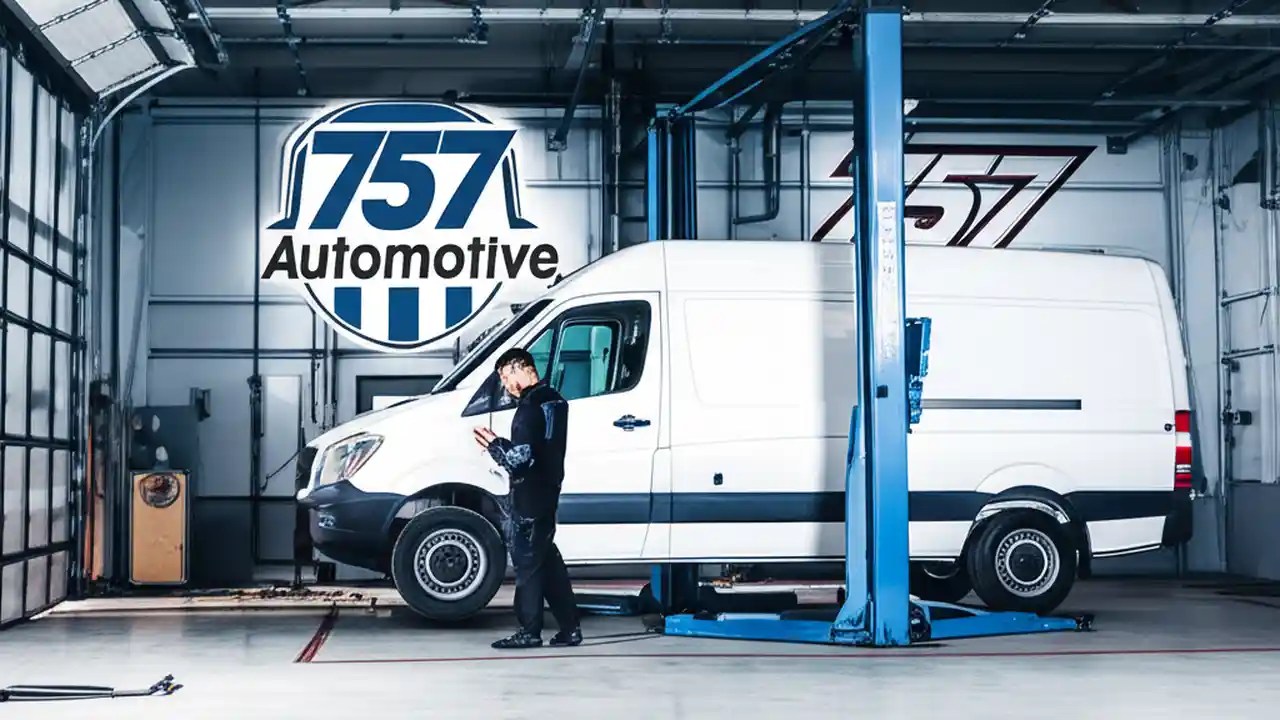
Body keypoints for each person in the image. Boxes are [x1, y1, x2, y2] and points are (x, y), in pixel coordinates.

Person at [473, 347, 582, 650]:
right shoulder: (555, 401)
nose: (506, 385)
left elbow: (519, 461)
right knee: (549, 566)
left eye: (505, 377)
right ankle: (570, 629)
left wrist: (494, 445)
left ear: (519, 368)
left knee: (527, 566)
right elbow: (541, 450)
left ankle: (529, 631)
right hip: (548, 492)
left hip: (529, 499)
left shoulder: (530, 407)